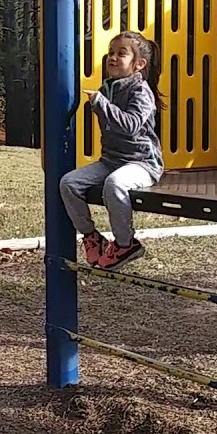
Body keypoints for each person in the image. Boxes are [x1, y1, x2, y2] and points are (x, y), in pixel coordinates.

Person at [59, 30, 165, 270]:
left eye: (121, 54)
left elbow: (130, 126)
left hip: (142, 163)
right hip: (111, 160)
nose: (113, 58)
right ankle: (91, 236)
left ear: (139, 64)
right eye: (111, 53)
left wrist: (101, 104)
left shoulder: (141, 92)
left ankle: (126, 243)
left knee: (114, 184)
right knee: (69, 183)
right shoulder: (109, 88)